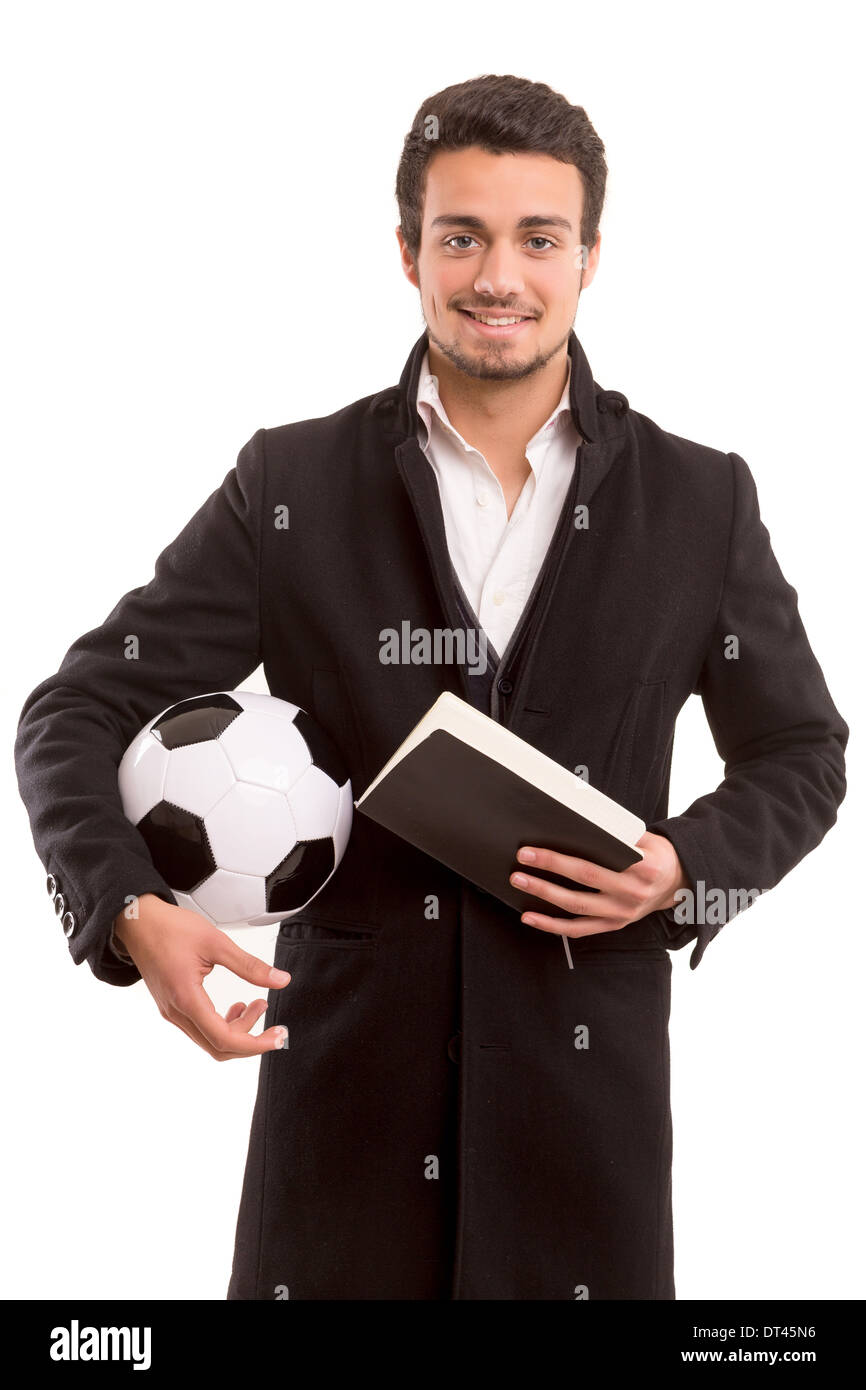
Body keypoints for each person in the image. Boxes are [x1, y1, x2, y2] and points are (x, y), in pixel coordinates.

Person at [14, 73, 848, 1300]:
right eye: (460, 236)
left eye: (536, 239)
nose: (496, 275)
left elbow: (799, 750)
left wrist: (684, 866)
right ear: (407, 252)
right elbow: (74, 709)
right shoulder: (290, 482)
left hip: (585, 1140)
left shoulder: (699, 499)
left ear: (588, 259)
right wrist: (129, 909)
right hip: (341, 1130)